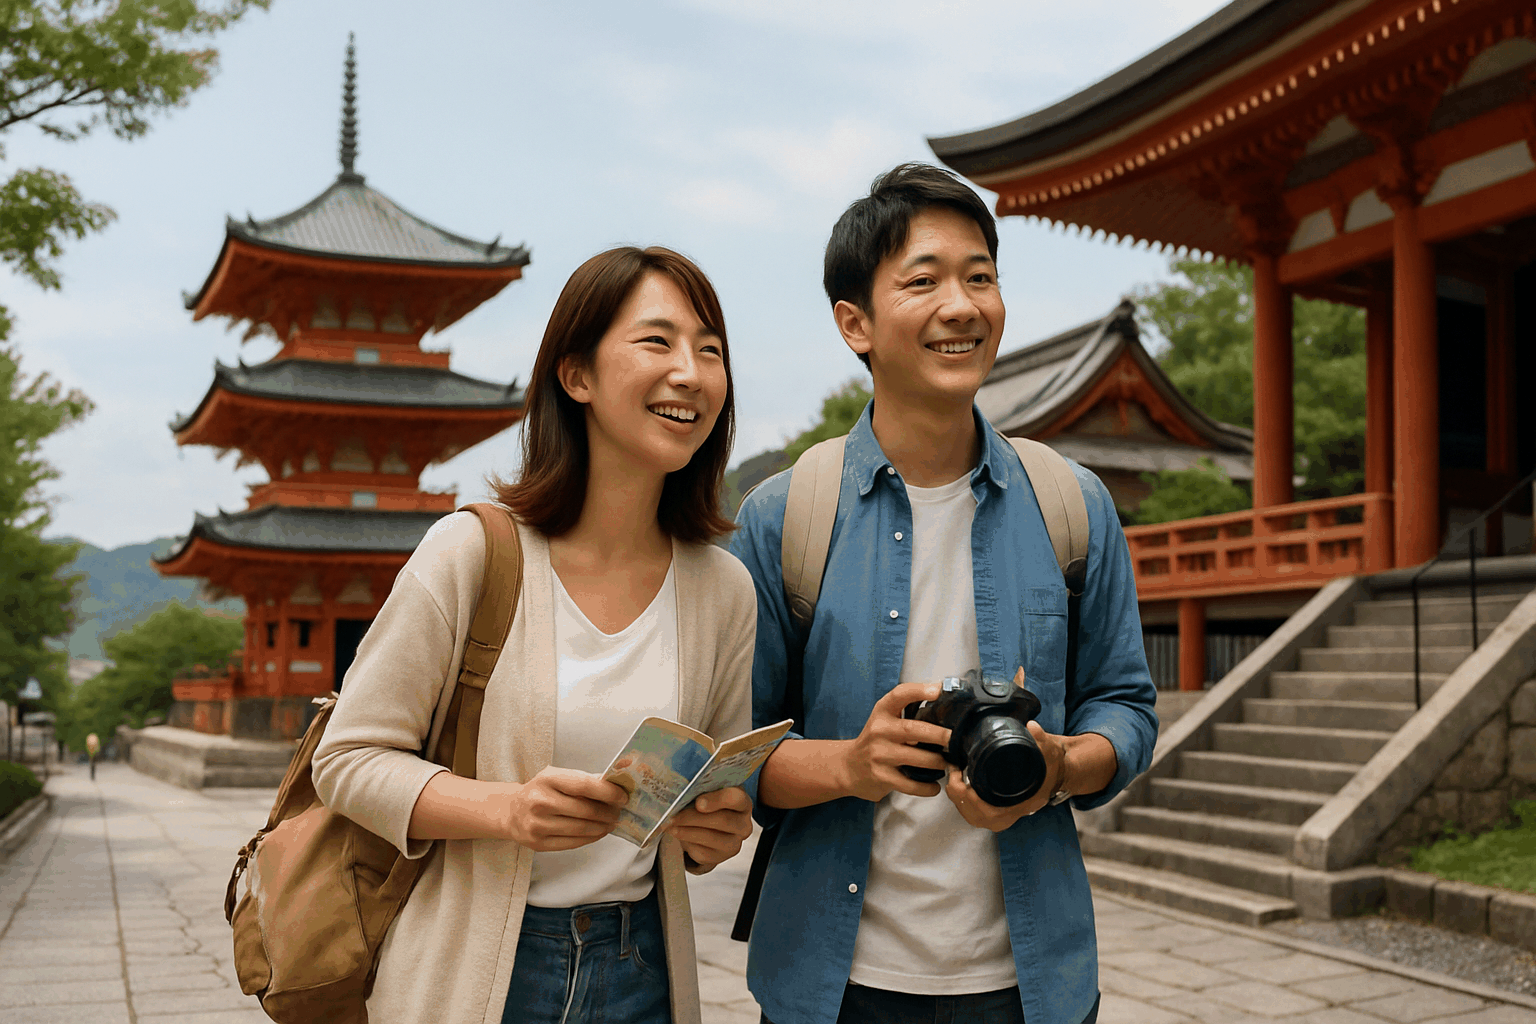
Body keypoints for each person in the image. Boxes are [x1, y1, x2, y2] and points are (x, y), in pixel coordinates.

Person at [731, 163, 1159, 1024]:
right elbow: (736, 757)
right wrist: (852, 763)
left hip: (1030, 983)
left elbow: (1128, 707)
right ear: (855, 323)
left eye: (981, 276)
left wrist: (1060, 766)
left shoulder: (1070, 504)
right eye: (922, 281)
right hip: (832, 983)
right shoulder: (784, 519)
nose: (962, 305)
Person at [312, 246, 759, 1024]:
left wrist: (718, 828)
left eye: (710, 349)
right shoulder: (471, 553)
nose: (691, 371)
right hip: (480, 971)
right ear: (576, 375)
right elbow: (346, 760)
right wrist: (506, 811)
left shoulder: (724, 589)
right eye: (657, 341)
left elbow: (715, 803)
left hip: (644, 971)